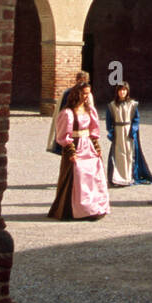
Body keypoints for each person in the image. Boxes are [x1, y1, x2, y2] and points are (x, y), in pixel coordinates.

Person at [47, 81, 109, 220]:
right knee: (78, 174)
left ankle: (93, 207)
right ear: (77, 94)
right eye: (84, 93)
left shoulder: (90, 110)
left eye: (88, 93)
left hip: (88, 147)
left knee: (94, 175)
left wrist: (97, 147)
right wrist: (71, 152)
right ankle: (74, 209)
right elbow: (62, 135)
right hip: (75, 147)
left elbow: (93, 130)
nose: (86, 96)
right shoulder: (67, 113)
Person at [106, 82, 152, 186]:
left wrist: (133, 130)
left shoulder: (132, 104)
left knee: (129, 154)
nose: (122, 92)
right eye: (120, 90)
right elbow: (109, 121)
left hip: (129, 132)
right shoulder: (111, 105)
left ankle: (130, 176)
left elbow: (136, 119)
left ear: (127, 91)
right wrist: (111, 132)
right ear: (117, 91)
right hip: (118, 132)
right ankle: (117, 177)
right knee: (118, 155)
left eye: (124, 90)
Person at [46, 71, 95, 155]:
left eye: (83, 80)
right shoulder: (67, 93)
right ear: (76, 80)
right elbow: (61, 110)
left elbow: (90, 111)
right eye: (80, 80)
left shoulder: (88, 94)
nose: (81, 82)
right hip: (70, 123)